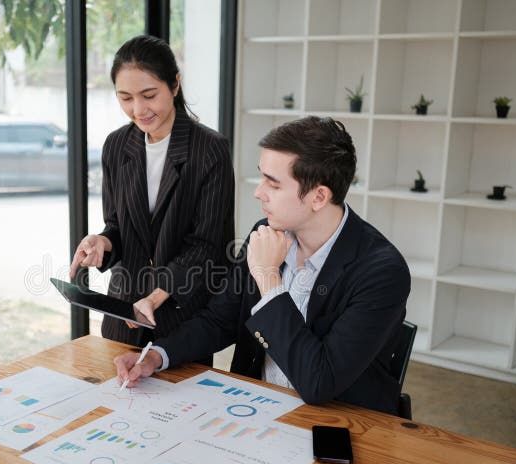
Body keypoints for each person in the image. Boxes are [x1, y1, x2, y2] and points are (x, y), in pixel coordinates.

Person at [114, 116, 411, 415]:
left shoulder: (383, 272)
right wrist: (155, 356)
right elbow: (219, 320)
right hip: (258, 411)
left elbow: (319, 382)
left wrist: (269, 277)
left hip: (341, 425)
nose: (258, 192)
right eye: (262, 177)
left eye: (273, 183)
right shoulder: (266, 233)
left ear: (319, 196)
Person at [69, 35, 235, 359]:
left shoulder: (210, 150)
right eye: (125, 98)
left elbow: (206, 246)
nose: (138, 110)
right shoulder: (116, 146)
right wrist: (103, 243)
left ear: (174, 85)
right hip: (123, 319)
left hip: (180, 322)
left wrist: (157, 296)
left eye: (149, 95)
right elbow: (117, 225)